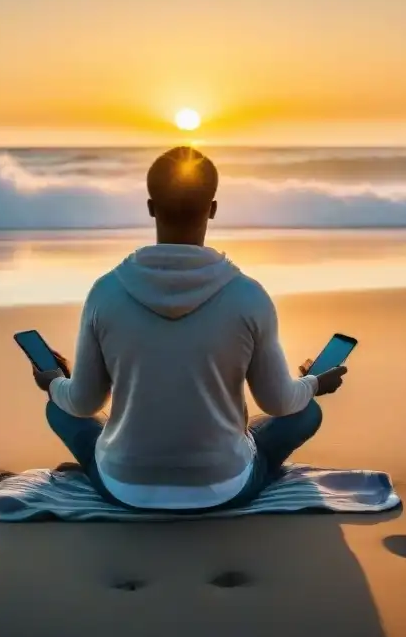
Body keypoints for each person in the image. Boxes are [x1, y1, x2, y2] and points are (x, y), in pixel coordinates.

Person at [33, 146, 347, 512]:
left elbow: (84, 403)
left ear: (151, 207)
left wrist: (54, 382)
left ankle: (101, 467)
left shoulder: (105, 292)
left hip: (124, 487)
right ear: (212, 209)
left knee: (59, 408)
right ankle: (248, 467)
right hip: (223, 487)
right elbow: (278, 402)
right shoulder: (249, 295)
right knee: (306, 412)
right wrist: (313, 383)